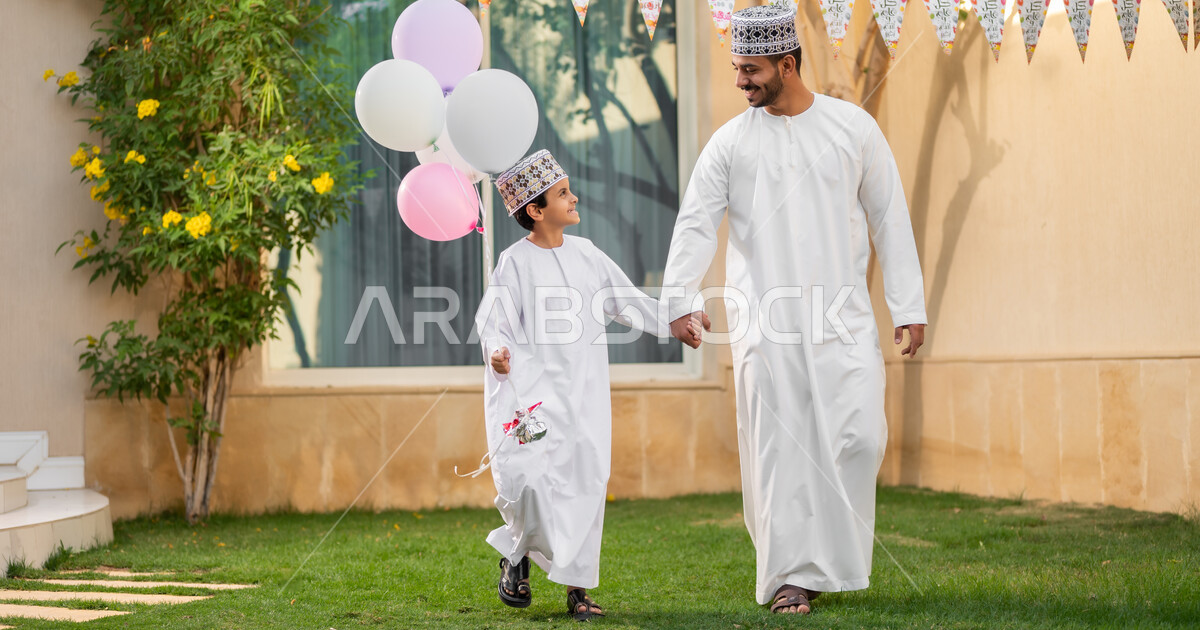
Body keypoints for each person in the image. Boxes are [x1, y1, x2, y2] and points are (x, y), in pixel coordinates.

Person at [660, 4, 928, 615]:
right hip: (766, 323)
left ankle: (831, 563)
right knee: (779, 453)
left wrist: (907, 305)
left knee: (859, 436)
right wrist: (679, 301)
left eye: (749, 70)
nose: (739, 82)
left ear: (787, 63)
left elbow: (890, 218)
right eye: (735, 69)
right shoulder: (729, 143)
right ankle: (790, 576)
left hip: (843, 317)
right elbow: (696, 223)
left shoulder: (853, 128)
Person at [475, 150, 705, 621]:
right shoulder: (512, 262)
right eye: (562, 193)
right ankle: (516, 555)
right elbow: (494, 321)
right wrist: (497, 355)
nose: (574, 197)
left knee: (583, 485)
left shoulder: (588, 254)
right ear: (535, 211)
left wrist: (674, 321)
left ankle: (578, 589)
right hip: (530, 395)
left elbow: (629, 302)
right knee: (529, 481)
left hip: (583, 394)